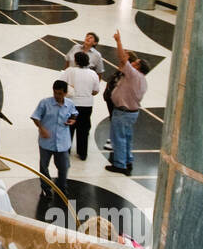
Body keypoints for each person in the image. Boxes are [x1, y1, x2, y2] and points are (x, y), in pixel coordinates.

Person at [105, 30, 150, 174]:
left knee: (118, 138)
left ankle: (120, 165)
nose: (132, 64)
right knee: (127, 138)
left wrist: (118, 41)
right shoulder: (142, 80)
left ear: (138, 67)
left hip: (123, 112)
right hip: (132, 113)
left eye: (135, 63)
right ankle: (128, 160)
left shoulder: (133, 75)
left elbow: (123, 60)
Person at [31, 79, 78, 197]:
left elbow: (74, 113)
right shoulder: (44, 103)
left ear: (65, 93)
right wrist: (41, 129)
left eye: (60, 93)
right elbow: (35, 117)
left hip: (63, 142)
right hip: (46, 142)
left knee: (64, 167)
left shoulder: (70, 104)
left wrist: (72, 120)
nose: (57, 96)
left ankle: (62, 188)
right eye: (55, 93)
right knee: (44, 166)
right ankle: (46, 188)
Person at [61, 51, 101, 161]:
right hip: (87, 105)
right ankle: (82, 153)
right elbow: (96, 91)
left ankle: (66, 150)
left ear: (76, 61)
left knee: (69, 127)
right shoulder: (93, 74)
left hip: (71, 104)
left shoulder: (69, 71)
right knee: (83, 129)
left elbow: (61, 85)